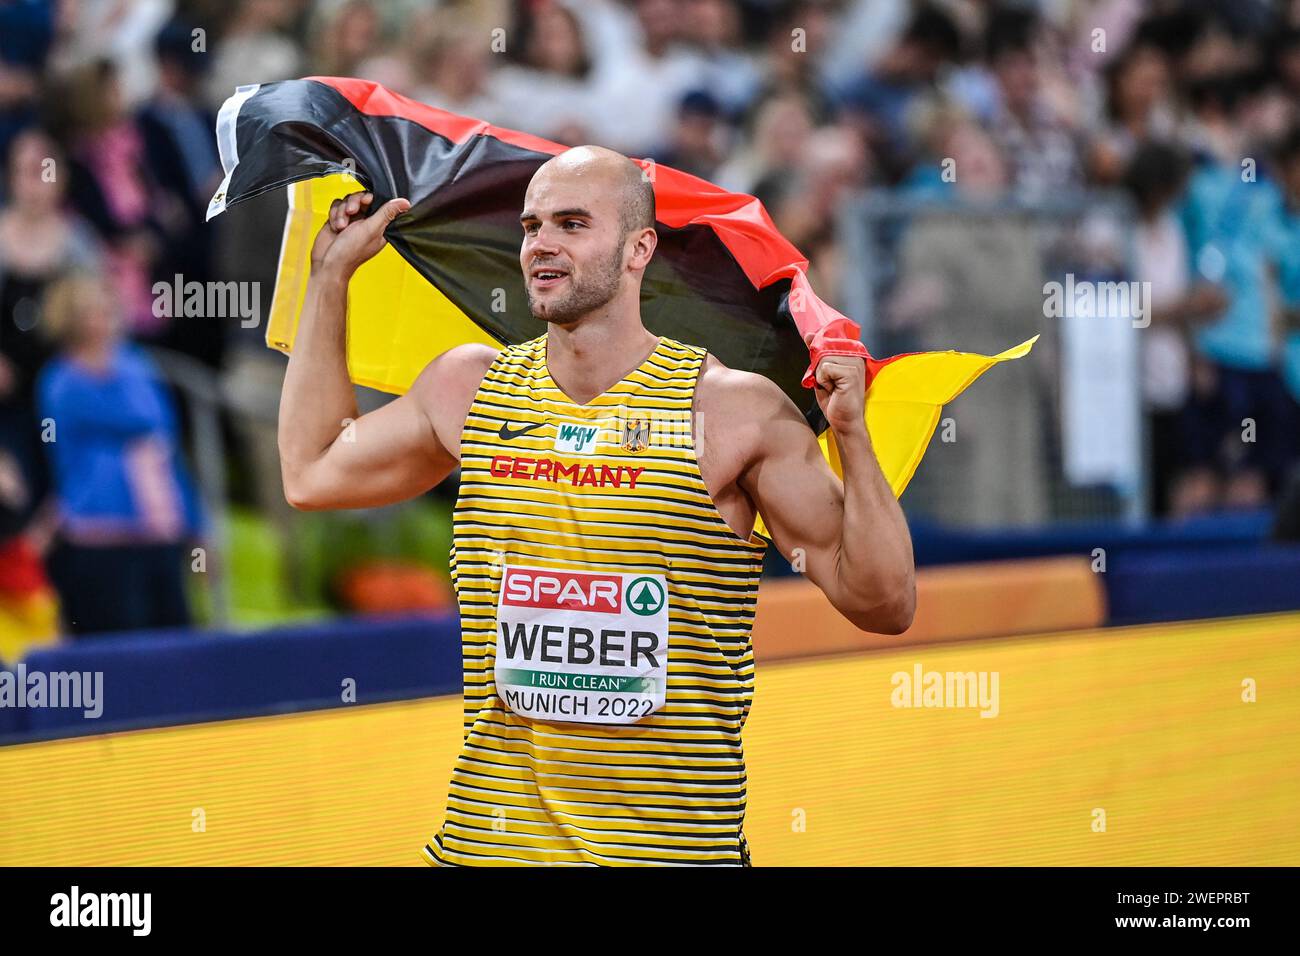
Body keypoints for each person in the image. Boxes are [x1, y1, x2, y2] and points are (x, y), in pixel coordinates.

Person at [278, 145, 916, 866]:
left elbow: (883, 600)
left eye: (572, 224)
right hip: (488, 850)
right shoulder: (470, 389)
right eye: (530, 226)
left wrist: (853, 440)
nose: (542, 244)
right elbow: (312, 471)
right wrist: (329, 278)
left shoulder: (732, 412)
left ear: (640, 248)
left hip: (669, 853)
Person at [36, 272, 205, 636]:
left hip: (158, 524)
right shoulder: (60, 380)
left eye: (106, 306)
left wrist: (196, 525)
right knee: (120, 642)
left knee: (176, 637)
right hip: (100, 532)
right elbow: (131, 420)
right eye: (90, 310)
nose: (103, 317)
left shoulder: (137, 367)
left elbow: (169, 446)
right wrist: (144, 429)